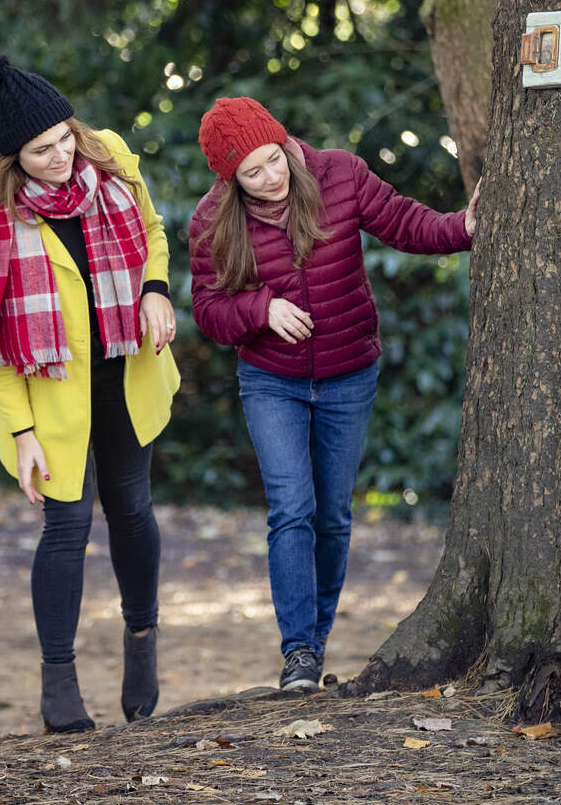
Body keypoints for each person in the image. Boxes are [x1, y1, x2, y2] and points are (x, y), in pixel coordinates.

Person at [187, 97, 477, 692]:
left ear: (286, 143)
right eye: (252, 173)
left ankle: (314, 643)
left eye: (274, 160)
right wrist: (262, 309)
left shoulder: (339, 174)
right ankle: (297, 654)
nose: (270, 178)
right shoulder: (213, 220)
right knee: (291, 509)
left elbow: (406, 223)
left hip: (348, 374)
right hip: (271, 381)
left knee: (333, 517)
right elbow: (208, 311)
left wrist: (465, 228)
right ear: (229, 179)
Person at [0, 51, 179, 732]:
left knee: (131, 508)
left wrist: (155, 289)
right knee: (68, 523)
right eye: (39, 151)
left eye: (62, 140)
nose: (58, 158)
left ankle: (141, 642)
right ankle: (59, 683)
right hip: (50, 390)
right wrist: (20, 431)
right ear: (10, 157)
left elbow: (152, 231)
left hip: (127, 366)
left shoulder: (108, 157)